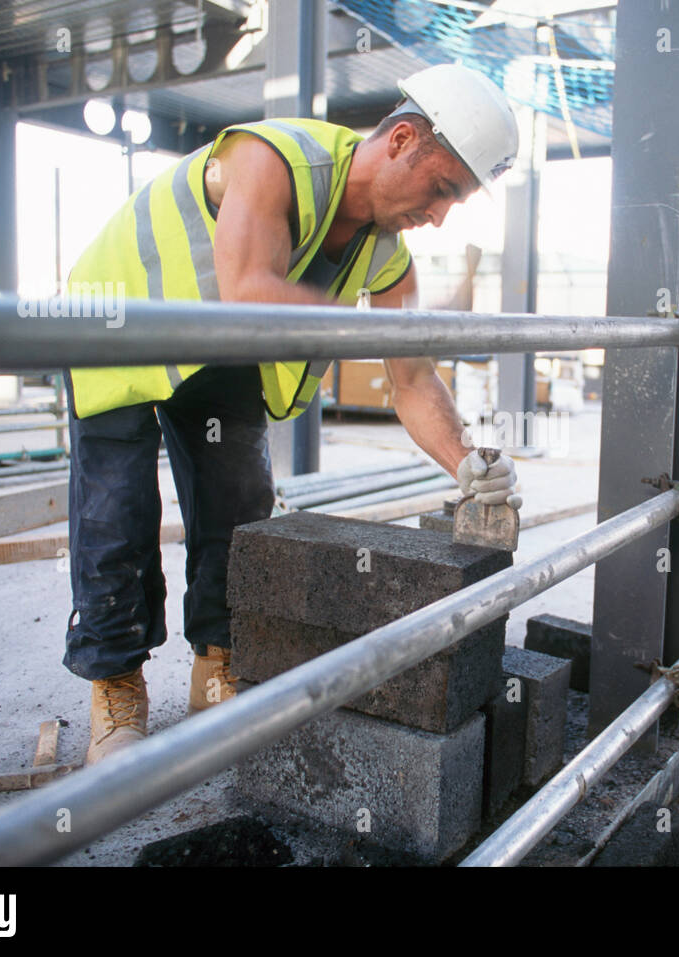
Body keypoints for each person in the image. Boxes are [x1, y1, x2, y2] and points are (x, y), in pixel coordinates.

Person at [62, 64, 524, 765]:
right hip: (117, 319)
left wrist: (466, 461)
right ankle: (116, 688)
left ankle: (216, 666)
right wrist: (369, 330)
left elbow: (411, 376)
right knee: (115, 510)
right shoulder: (273, 158)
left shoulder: (386, 257)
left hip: (213, 344)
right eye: (442, 189)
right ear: (402, 139)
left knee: (238, 505)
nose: (439, 216)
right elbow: (249, 290)